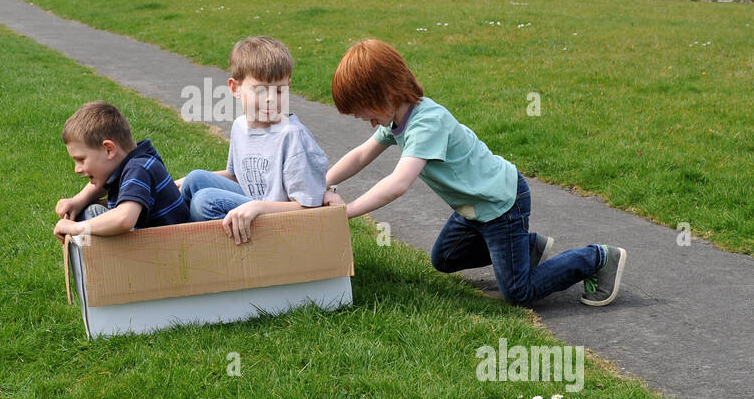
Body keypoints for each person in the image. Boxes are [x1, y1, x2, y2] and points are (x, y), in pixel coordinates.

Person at [325, 38, 627, 307]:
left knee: (519, 292)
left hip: (500, 205)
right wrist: (320, 183)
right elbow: (361, 154)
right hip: (473, 209)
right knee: (443, 258)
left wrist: (346, 212)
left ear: (386, 92)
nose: (360, 117)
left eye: (362, 108)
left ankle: (598, 258)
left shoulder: (426, 122)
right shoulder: (396, 120)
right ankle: (526, 248)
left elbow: (398, 183)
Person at [177, 36, 331, 244]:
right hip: (254, 204)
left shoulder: (292, 136)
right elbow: (237, 176)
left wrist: (257, 207)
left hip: (278, 224)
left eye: (278, 90)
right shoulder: (240, 126)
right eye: (260, 90)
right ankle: (173, 237)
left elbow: (308, 208)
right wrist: (185, 181)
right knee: (195, 179)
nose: (271, 98)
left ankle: (212, 252)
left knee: (204, 202)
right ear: (235, 88)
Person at [53, 101, 187, 240]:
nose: (77, 169)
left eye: (81, 159)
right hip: (159, 243)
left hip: (170, 247)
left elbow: (124, 219)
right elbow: (104, 184)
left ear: (109, 150)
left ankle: (91, 261)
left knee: (88, 217)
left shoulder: (139, 169)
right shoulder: (135, 161)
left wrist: (74, 228)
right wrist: (78, 201)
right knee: (86, 213)